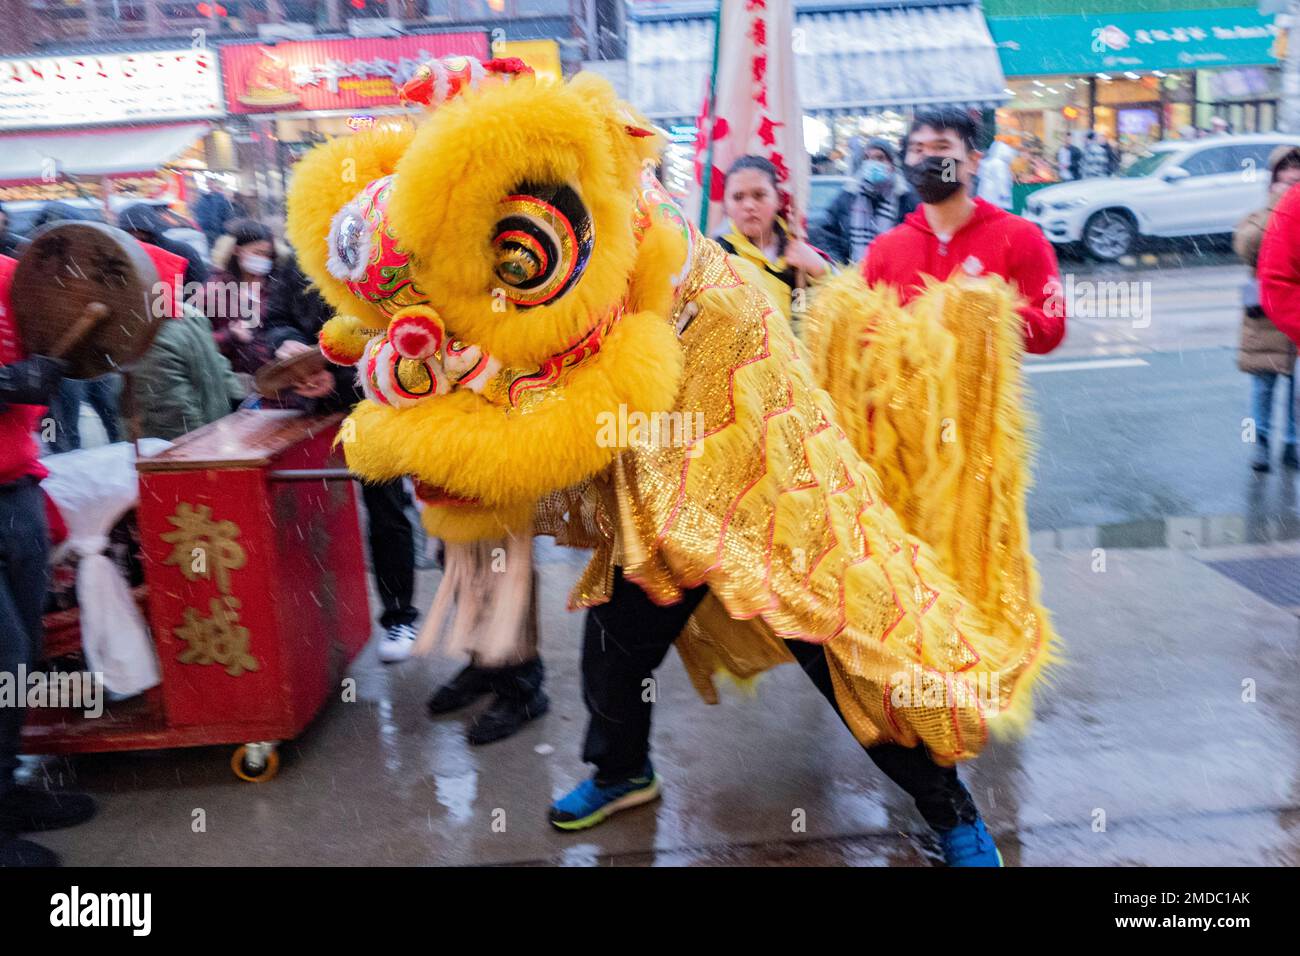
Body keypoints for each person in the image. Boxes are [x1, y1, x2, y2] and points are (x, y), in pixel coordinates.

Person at [263, 260, 427, 666]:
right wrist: (288, 347)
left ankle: (398, 616)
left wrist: (338, 370)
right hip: (313, 411)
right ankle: (317, 620)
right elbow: (275, 321)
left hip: (378, 402)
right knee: (311, 514)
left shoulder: (384, 256)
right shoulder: (298, 263)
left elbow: (400, 331)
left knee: (387, 512)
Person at [0, 257, 97, 867]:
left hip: (15, 488)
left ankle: (5, 791)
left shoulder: (16, 275)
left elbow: (98, 305)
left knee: (23, 654)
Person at [863, 107, 1067, 356]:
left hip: (985, 393)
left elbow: (1051, 328)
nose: (928, 160)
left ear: (973, 161)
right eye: (917, 150)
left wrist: (987, 312)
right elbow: (863, 338)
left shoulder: (1020, 236)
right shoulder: (886, 248)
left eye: (941, 148)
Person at [126, 243, 244, 441]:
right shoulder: (167, 327)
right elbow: (174, 410)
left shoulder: (180, 321)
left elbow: (219, 365)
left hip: (197, 438)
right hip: (194, 440)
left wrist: (239, 405)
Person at [714, 155, 830, 320]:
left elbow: (832, 316)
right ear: (725, 205)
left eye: (759, 195)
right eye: (738, 197)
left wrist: (821, 272)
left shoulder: (804, 246)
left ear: (779, 200)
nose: (749, 206)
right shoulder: (717, 258)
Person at [810, 137, 917, 265]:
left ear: (892, 165)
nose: (873, 163)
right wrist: (839, 266)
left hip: (894, 278)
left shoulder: (906, 197)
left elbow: (917, 241)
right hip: (853, 279)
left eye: (880, 158)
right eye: (867, 158)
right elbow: (826, 234)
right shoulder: (848, 195)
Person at [201, 218, 278, 376]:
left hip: (275, 379)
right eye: (257, 253)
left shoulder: (275, 286)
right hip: (231, 379)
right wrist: (230, 335)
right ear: (237, 250)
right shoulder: (214, 289)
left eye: (267, 255)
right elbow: (198, 341)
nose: (263, 259)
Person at [117, 202, 208, 290]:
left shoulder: (182, 251)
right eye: (128, 233)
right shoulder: (124, 255)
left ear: (148, 231)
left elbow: (200, 291)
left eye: (137, 231)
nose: (134, 237)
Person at [976, 139, 1016, 211]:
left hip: (984, 190)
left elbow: (979, 174)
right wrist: (1004, 194)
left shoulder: (987, 161)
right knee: (997, 212)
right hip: (996, 194)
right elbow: (1002, 180)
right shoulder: (1000, 164)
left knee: (986, 209)